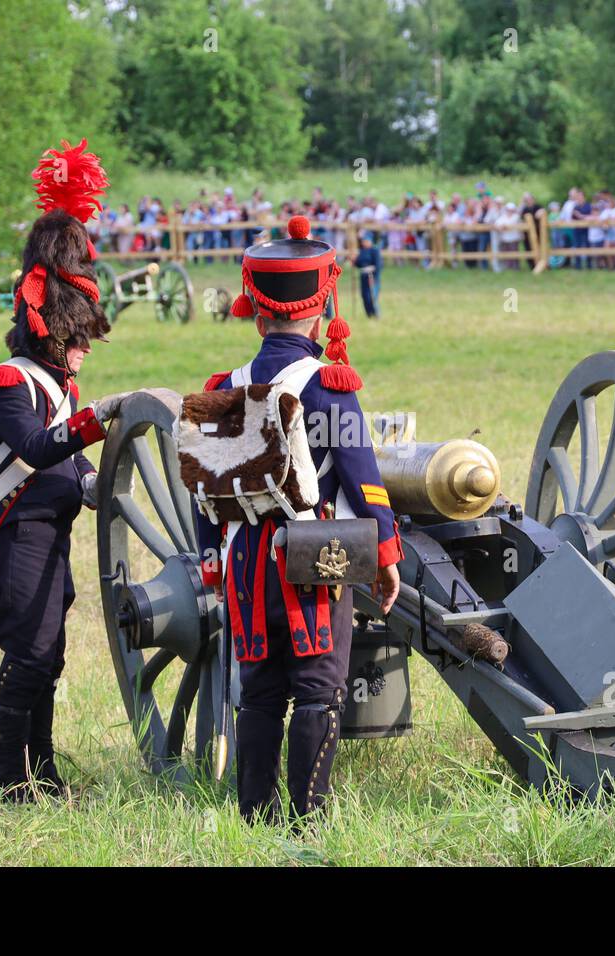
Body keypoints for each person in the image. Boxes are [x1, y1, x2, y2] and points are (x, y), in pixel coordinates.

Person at [207, 216, 402, 823]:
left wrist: (215, 557)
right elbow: (363, 479)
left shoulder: (223, 386)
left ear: (256, 309)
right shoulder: (328, 386)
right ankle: (307, 819)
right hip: (314, 555)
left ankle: (254, 816)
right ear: (320, 310)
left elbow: (205, 489)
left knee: (261, 690)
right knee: (318, 688)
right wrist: (387, 554)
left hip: (242, 560)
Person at [0, 139, 138, 801]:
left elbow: (66, 458)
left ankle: (43, 767)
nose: (85, 351)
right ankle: (5, 778)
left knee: (51, 656)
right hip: (16, 535)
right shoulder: (12, 379)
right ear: (56, 331)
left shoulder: (53, 381)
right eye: (79, 339)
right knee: (32, 655)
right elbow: (38, 451)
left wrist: (94, 479)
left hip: (51, 533)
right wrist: (96, 417)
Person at [354, 234, 382, 318]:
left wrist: (374, 276)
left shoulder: (374, 251)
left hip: (372, 275)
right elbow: (359, 264)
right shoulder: (362, 251)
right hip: (363, 275)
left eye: (366, 241)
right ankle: (369, 314)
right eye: (363, 241)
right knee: (365, 296)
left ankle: (376, 314)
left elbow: (378, 265)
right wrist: (354, 260)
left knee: (372, 296)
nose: (364, 243)